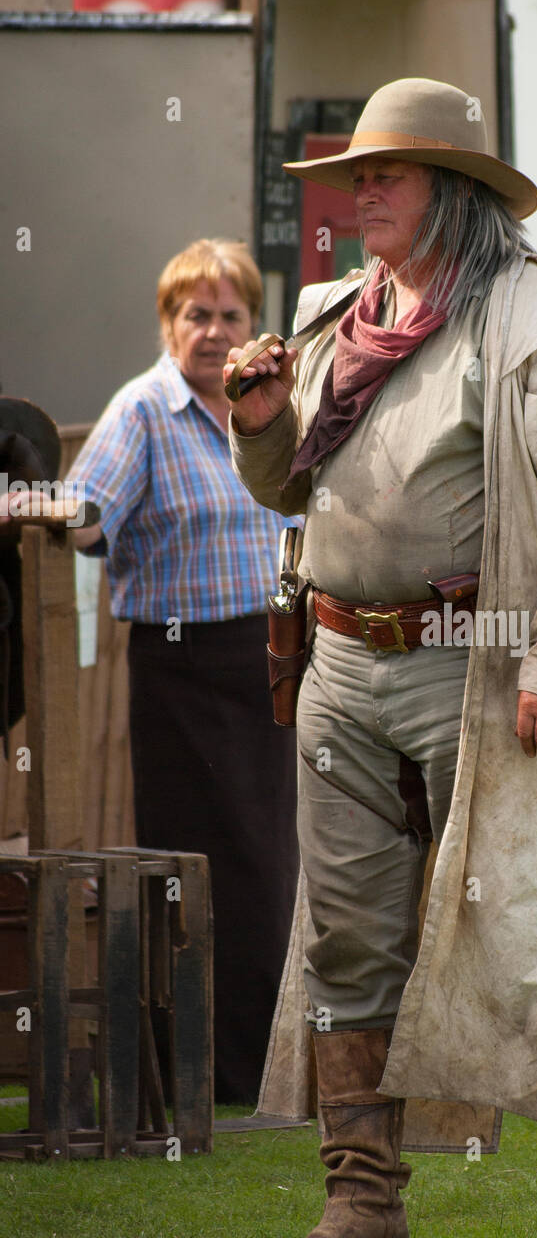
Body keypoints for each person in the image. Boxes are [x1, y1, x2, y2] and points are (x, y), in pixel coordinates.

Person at [227, 77, 537, 1238]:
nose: (360, 192)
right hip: (340, 667)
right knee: (347, 946)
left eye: (385, 173)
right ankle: (362, 1205)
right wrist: (261, 422)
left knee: (535, 928)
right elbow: (288, 489)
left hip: (485, 670)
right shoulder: (330, 321)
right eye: (355, 174)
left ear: (453, 192)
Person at [64, 240, 299, 1105]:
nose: (213, 331)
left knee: (269, 862)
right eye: (195, 315)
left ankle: (257, 1067)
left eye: (230, 315)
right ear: (168, 325)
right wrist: (45, 511)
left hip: (268, 661)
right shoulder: (143, 412)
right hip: (181, 669)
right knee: (196, 870)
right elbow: (85, 519)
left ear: (251, 325)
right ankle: (199, 1068)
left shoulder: (269, 407)